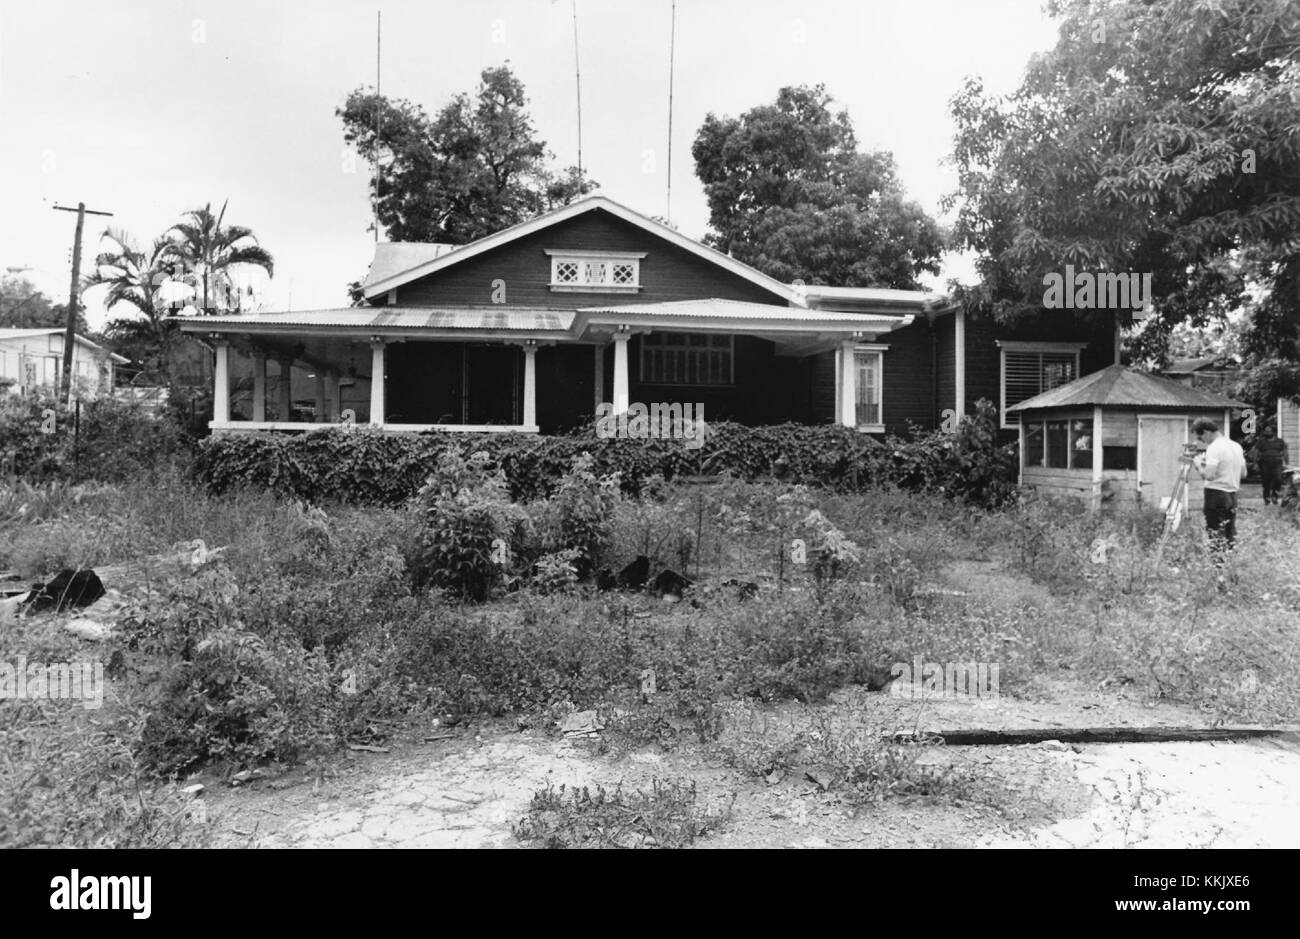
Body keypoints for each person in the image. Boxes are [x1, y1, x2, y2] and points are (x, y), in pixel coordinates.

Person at [1191, 418, 1246, 551]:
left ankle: (1217, 567)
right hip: (1232, 495)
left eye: (1201, 437)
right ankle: (1229, 564)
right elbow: (1243, 473)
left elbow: (1209, 475)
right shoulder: (1236, 446)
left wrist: (1198, 464)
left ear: (1206, 432)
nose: (1203, 441)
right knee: (1229, 534)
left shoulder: (1214, 447)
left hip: (1216, 494)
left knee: (1215, 532)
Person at [1252, 426, 1289, 505]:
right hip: (1264, 463)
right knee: (1266, 481)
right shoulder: (1261, 441)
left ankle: (1275, 496)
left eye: (1268, 431)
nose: (1267, 433)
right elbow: (1256, 452)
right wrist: (1255, 463)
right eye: (1266, 431)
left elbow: (1285, 452)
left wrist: (1287, 464)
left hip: (1277, 463)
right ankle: (1266, 498)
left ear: (1273, 432)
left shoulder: (1280, 441)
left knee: (1278, 479)